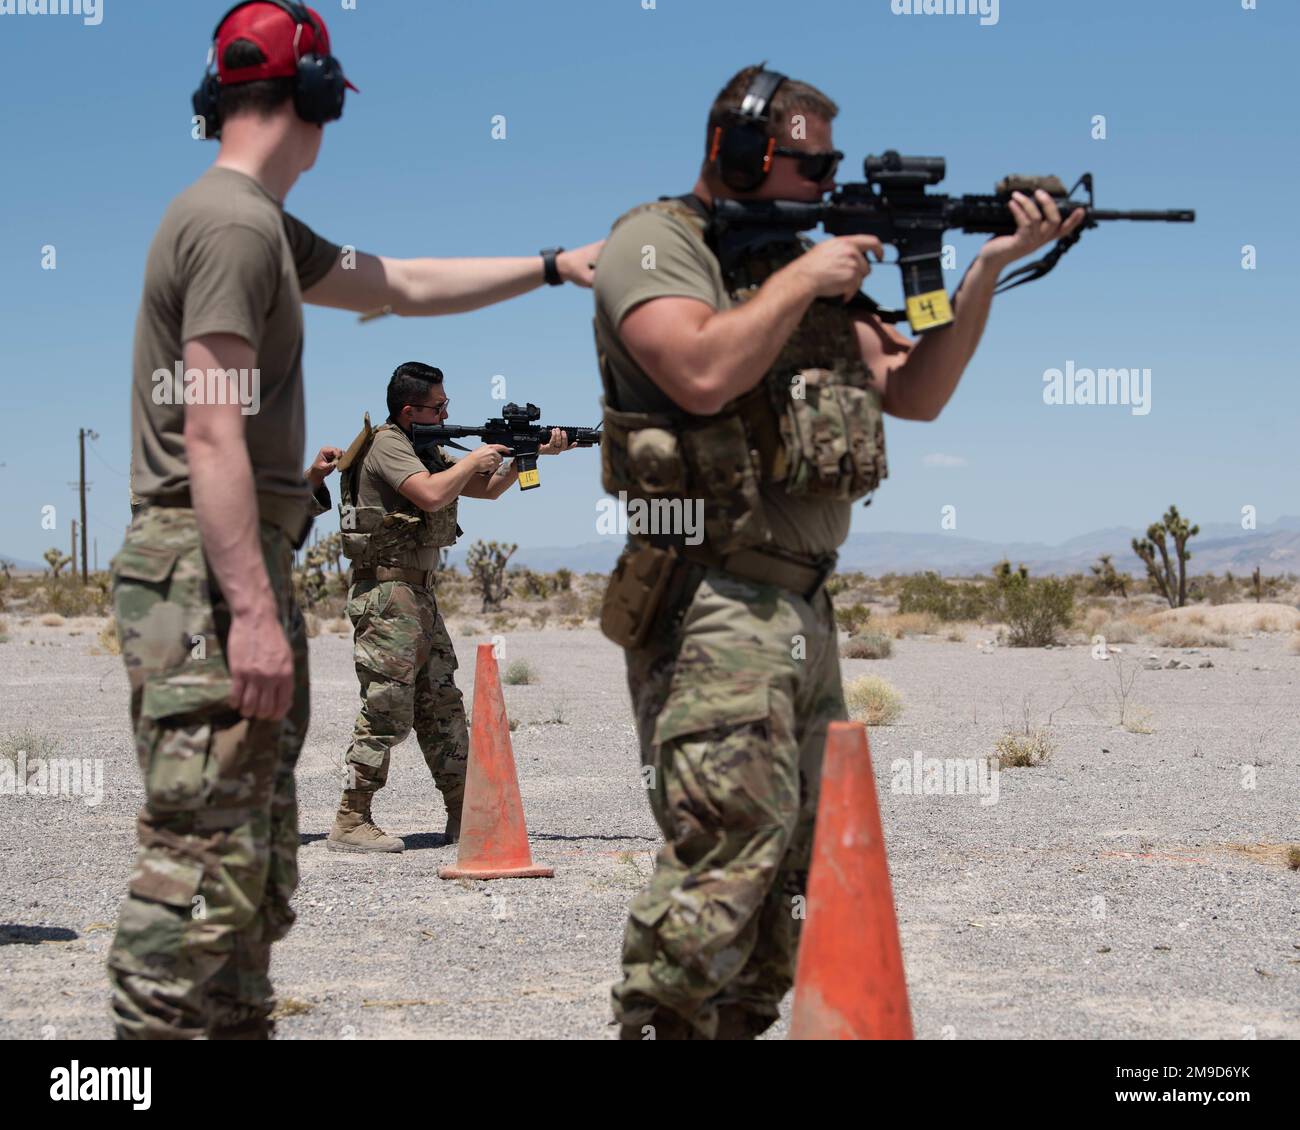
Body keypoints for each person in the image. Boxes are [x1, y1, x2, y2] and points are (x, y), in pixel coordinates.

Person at [109, 0, 601, 1040]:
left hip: (228, 565)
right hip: (208, 569)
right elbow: (211, 434)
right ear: (318, 97)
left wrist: (552, 265)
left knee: (249, 872)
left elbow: (402, 284)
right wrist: (248, 608)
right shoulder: (234, 226)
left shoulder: (260, 225)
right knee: (204, 867)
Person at [592, 64, 1084, 1039]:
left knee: (794, 859)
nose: (823, 180)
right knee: (726, 844)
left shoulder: (805, 265)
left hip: (802, 606)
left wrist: (985, 265)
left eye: (831, 163)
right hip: (710, 593)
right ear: (737, 151)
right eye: (805, 160)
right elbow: (696, 370)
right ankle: (656, 1022)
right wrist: (804, 278)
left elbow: (917, 390)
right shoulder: (656, 245)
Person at [327, 363, 574, 852]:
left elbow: (485, 490)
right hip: (386, 594)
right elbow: (433, 494)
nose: (445, 412)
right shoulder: (388, 445)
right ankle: (351, 819)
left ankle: (465, 816)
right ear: (409, 410)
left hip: (418, 593)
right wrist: (473, 458)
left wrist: (531, 455)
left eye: (446, 406)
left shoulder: (427, 448)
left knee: (441, 705)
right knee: (387, 708)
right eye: (438, 407)